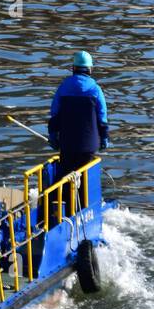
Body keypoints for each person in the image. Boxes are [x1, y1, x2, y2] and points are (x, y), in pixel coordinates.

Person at [47, 49, 109, 207]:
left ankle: (62, 208)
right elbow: (102, 118)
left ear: (73, 68)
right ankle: (84, 208)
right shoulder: (95, 89)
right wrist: (104, 138)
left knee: (66, 177)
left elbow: (54, 114)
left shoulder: (63, 87)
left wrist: (53, 136)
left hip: (67, 144)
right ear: (89, 69)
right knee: (84, 178)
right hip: (89, 146)